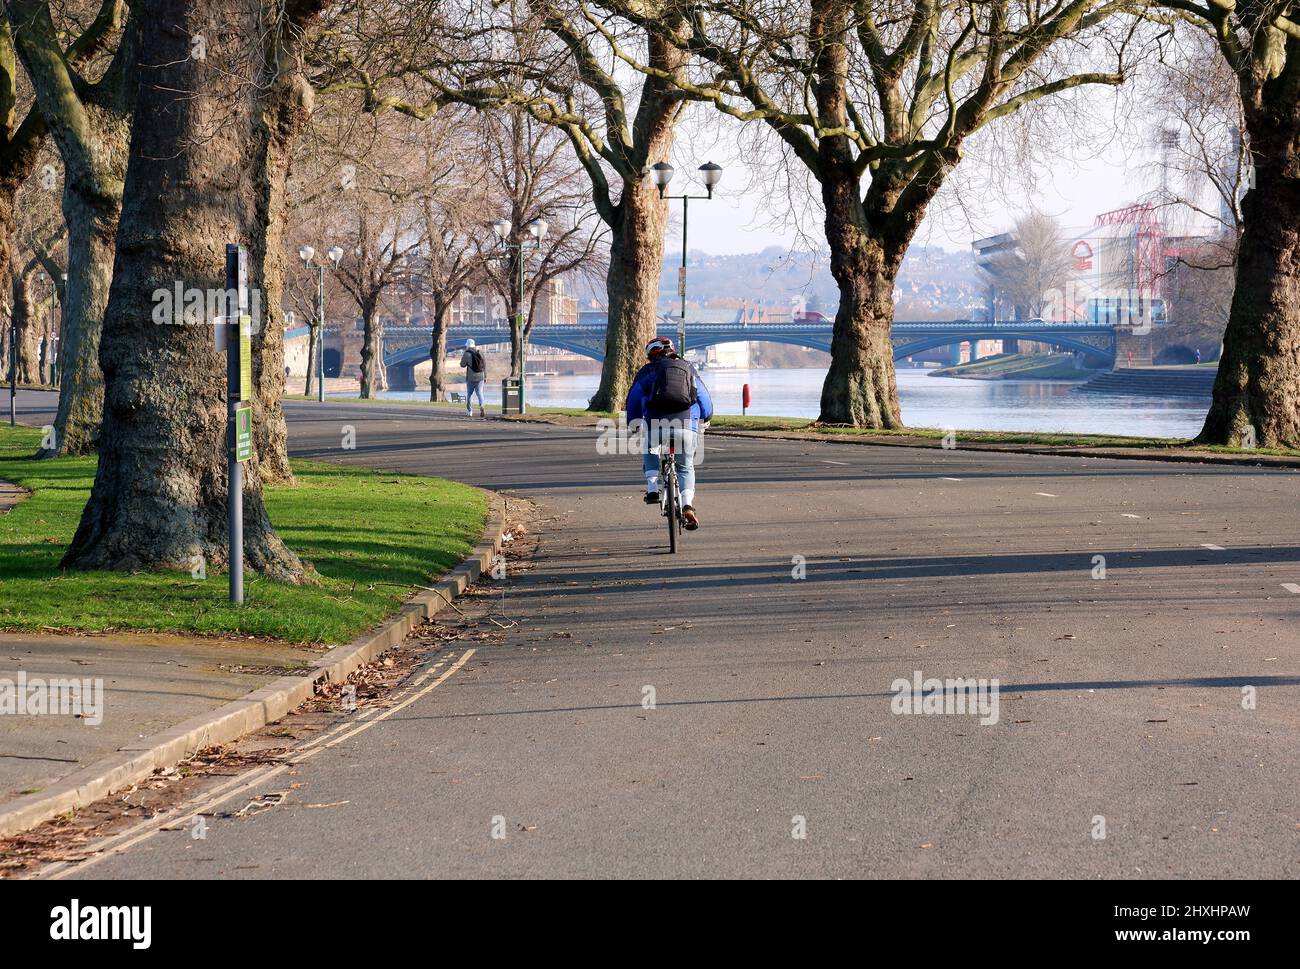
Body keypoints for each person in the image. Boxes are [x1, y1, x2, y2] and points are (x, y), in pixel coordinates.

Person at [625, 336, 713, 530]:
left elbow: (634, 398)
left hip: (655, 423)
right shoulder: (688, 368)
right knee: (685, 466)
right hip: (686, 423)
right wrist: (705, 418)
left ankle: (652, 488)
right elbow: (703, 397)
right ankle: (687, 504)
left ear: (651, 356)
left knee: (651, 449)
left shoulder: (648, 372)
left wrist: (633, 423)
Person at [459, 339, 486, 417]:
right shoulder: (480, 352)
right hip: (481, 376)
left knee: (470, 394)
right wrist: (485, 376)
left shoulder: (467, 354)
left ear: (467, 345)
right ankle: (482, 405)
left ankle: (470, 411)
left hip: (470, 377)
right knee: (479, 392)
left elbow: (462, 365)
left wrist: (467, 362)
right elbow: (484, 365)